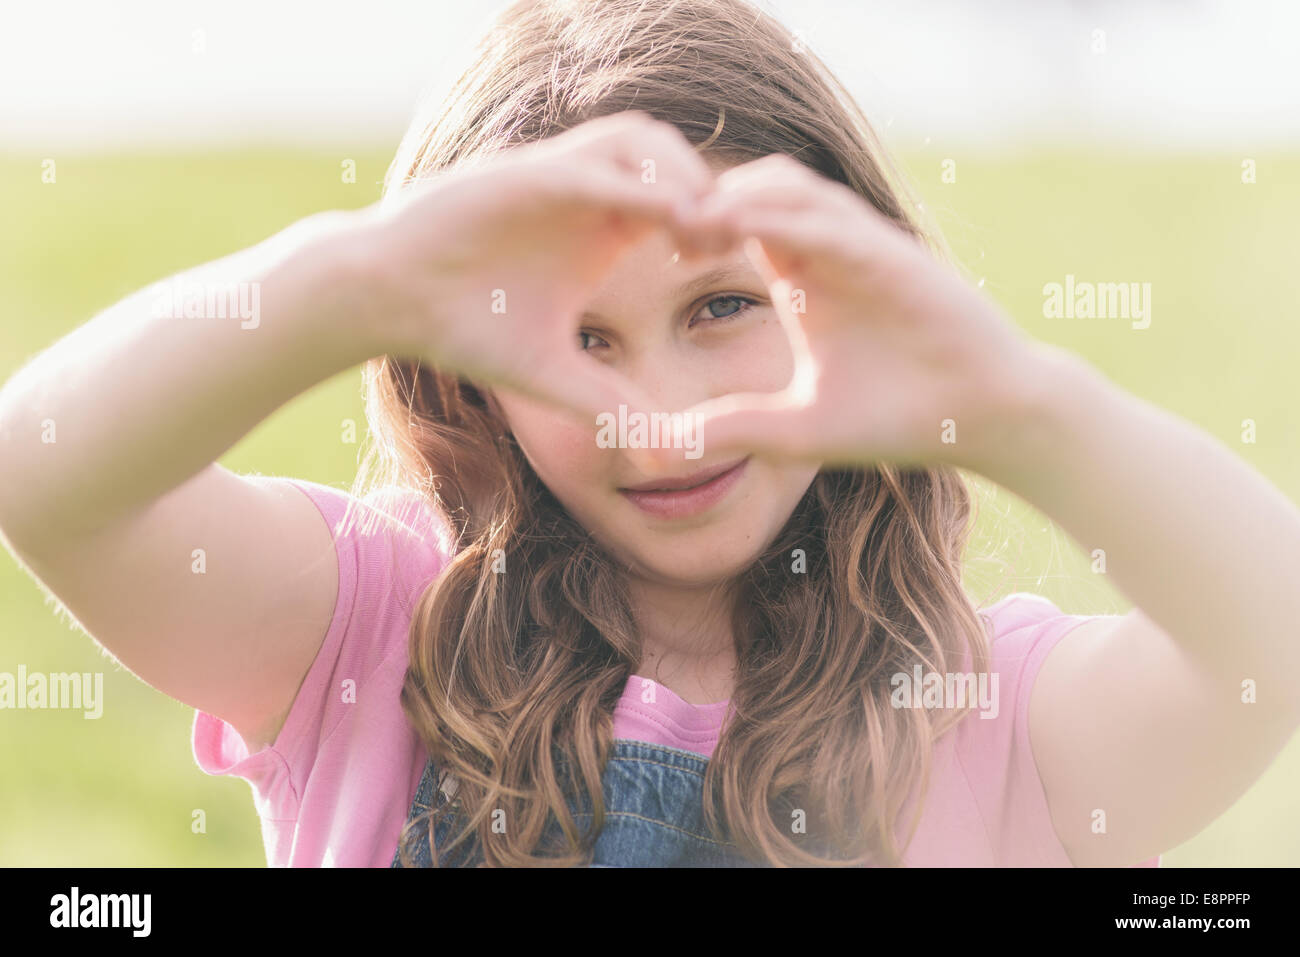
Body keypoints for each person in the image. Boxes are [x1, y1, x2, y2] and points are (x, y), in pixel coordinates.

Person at [2, 0, 1297, 868]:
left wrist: (1011, 397)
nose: (657, 412)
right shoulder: (369, 630)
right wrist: (364, 273)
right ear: (468, 378)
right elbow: (44, 468)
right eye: (580, 337)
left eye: (722, 305)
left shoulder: (986, 715)